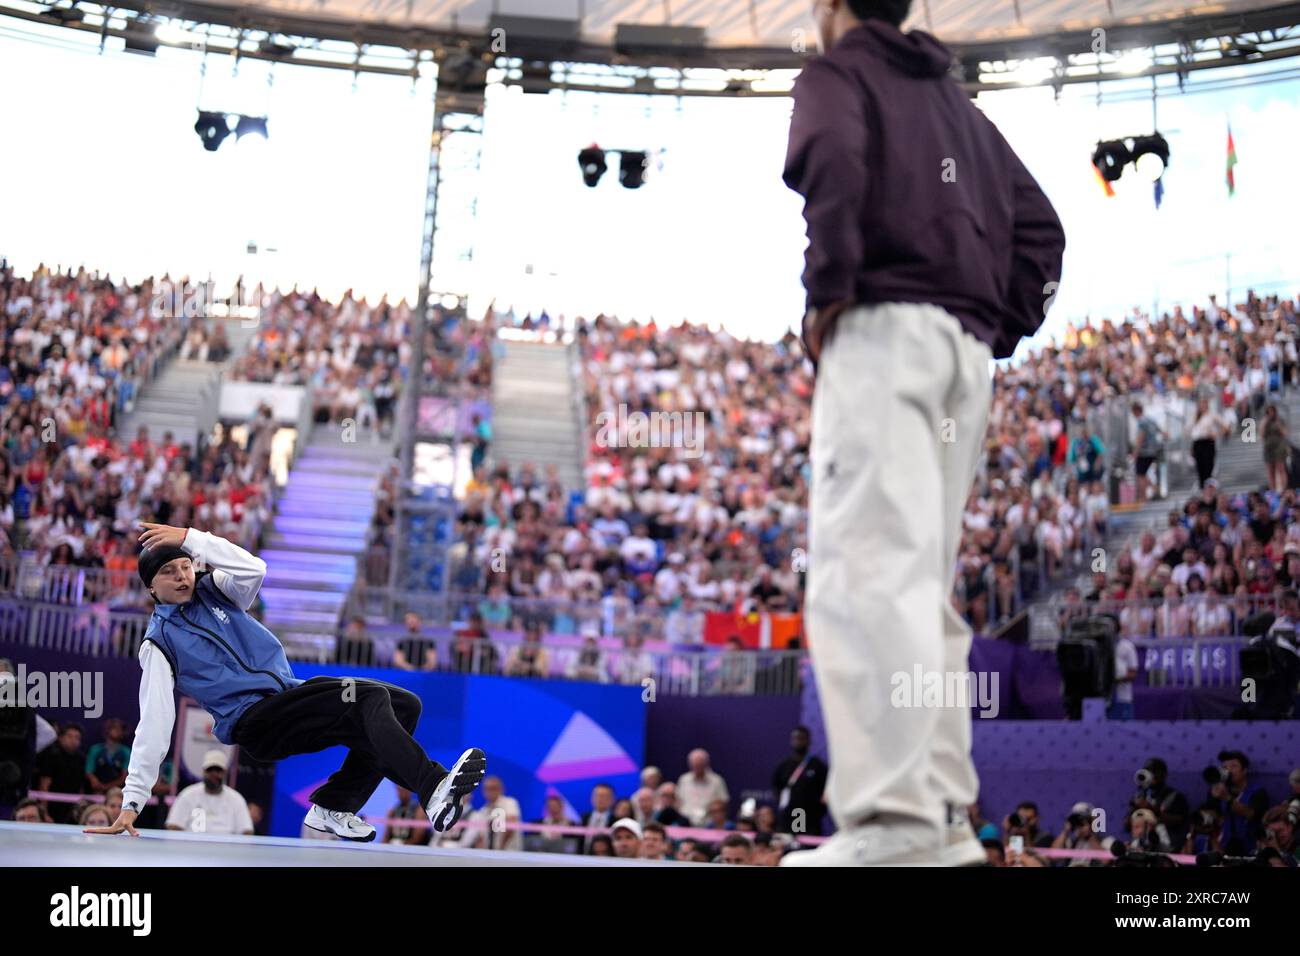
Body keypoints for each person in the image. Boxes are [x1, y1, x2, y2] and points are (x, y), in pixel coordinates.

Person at [782, 0, 1065, 865]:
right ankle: (938, 819)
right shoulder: (963, 112)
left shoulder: (837, 74)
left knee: (864, 576)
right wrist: (991, 325)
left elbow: (831, 157)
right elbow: (1043, 231)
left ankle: (896, 823)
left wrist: (829, 293)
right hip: (961, 357)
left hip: (880, 330)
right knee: (917, 587)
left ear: (832, 7)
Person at [85, 522, 486, 842]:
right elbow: (154, 723)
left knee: (404, 706)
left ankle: (334, 806)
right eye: (168, 572)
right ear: (151, 587)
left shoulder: (217, 591)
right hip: (256, 721)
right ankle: (433, 787)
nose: (182, 576)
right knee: (368, 700)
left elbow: (254, 569)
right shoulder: (159, 643)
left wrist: (193, 539)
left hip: (289, 697)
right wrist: (132, 800)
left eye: (185, 565)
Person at [165, 750, 254, 836]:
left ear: (225, 772)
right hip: (193, 848)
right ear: (203, 771)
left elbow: (246, 831)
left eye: (218, 770)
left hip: (225, 849)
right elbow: (174, 825)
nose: (214, 774)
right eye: (210, 770)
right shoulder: (188, 795)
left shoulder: (236, 799)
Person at [771, 725, 827, 835]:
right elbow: (776, 788)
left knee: (804, 847)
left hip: (809, 820)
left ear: (809, 741)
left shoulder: (818, 766)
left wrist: (815, 811)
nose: (798, 742)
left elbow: (825, 793)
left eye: (801, 738)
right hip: (787, 819)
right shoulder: (783, 766)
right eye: (795, 738)